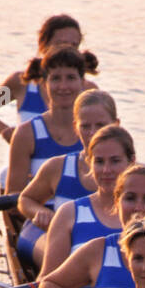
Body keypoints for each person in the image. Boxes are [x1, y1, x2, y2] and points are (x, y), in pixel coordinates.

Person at [15, 90, 119, 272]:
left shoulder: (136, 177)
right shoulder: (57, 167)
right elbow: (24, 199)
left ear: (116, 125)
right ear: (75, 127)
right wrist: (40, 212)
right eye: (85, 126)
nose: (93, 133)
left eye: (101, 125)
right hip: (56, 237)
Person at [0, 14, 98, 144]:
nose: (67, 50)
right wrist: (6, 131)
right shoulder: (21, 83)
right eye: (60, 44)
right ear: (43, 45)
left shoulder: (88, 91)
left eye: (74, 45)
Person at [39, 125, 137, 277]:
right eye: (99, 162)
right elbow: (47, 283)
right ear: (89, 162)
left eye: (115, 161)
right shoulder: (68, 214)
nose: (106, 170)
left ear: (131, 162)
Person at [4, 46, 88, 202]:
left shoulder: (97, 130)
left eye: (70, 78)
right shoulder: (25, 134)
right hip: (39, 214)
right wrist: (2, 130)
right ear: (44, 84)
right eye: (56, 78)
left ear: (82, 83)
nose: (63, 86)